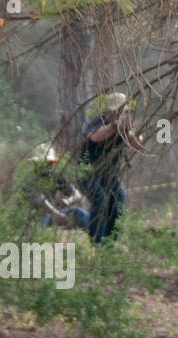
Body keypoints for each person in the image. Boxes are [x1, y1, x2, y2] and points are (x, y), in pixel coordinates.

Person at [78, 92, 140, 244]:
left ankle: (111, 240)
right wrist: (114, 126)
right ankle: (97, 242)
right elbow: (95, 137)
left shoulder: (123, 128)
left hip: (108, 174)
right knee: (100, 200)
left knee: (118, 198)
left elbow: (138, 144)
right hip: (87, 173)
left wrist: (130, 134)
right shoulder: (97, 123)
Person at [23, 143, 88, 229]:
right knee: (41, 222)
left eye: (49, 163)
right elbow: (39, 199)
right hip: (37, 217)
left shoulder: (57, 178)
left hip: (56, 214)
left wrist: (68, 201)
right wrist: (57, 214)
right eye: (45, 163)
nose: (48, 166)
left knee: (81, 214)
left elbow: (78, 195)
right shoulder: (30, 181)